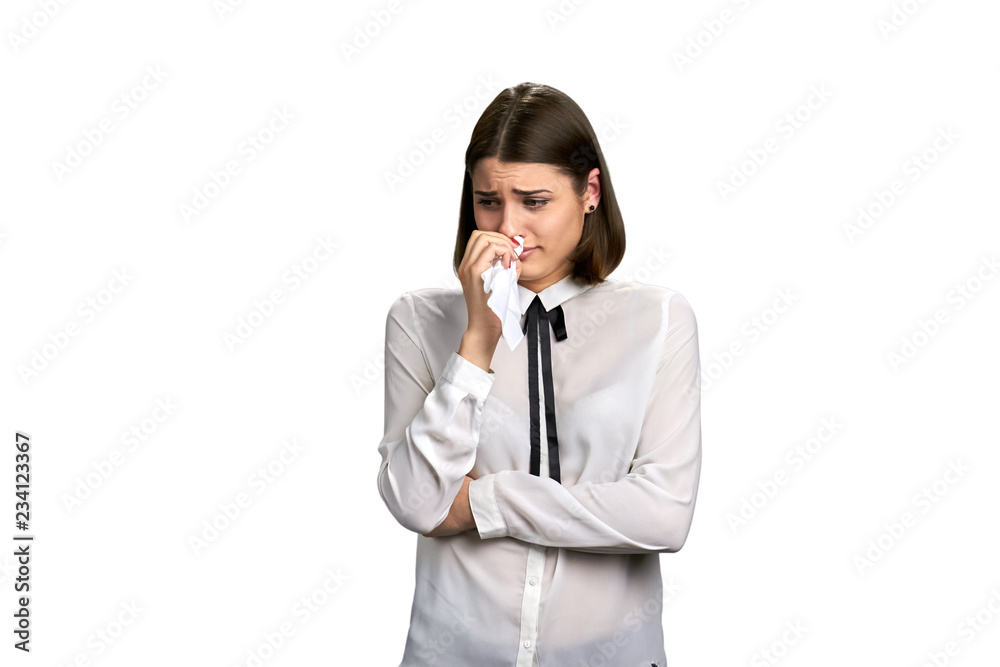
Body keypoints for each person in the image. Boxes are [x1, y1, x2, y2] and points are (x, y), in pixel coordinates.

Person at [376, 81, 702, 667]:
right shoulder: (419, 320)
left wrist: (484, 503)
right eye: (488, 201)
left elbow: (664, 515)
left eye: (535, 201)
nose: (511, 231)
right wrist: (477, 341)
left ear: (590, 192)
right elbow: (417, 502)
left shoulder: (657, 320)